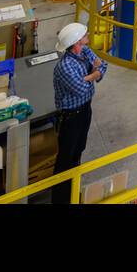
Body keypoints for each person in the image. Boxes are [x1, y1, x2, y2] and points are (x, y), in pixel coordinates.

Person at [51, 21, 107, 203]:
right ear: (77, 42)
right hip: (71, 118)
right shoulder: (65, 66)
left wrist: (91, 74)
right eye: (85, 35)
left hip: (84, 111)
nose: (88, 36)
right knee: (65, 160)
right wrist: (94, 73)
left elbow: (103, 65)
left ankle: (73, 192)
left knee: (78, 151)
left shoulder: (85, 52)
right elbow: (81, 88)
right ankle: (61, 199)